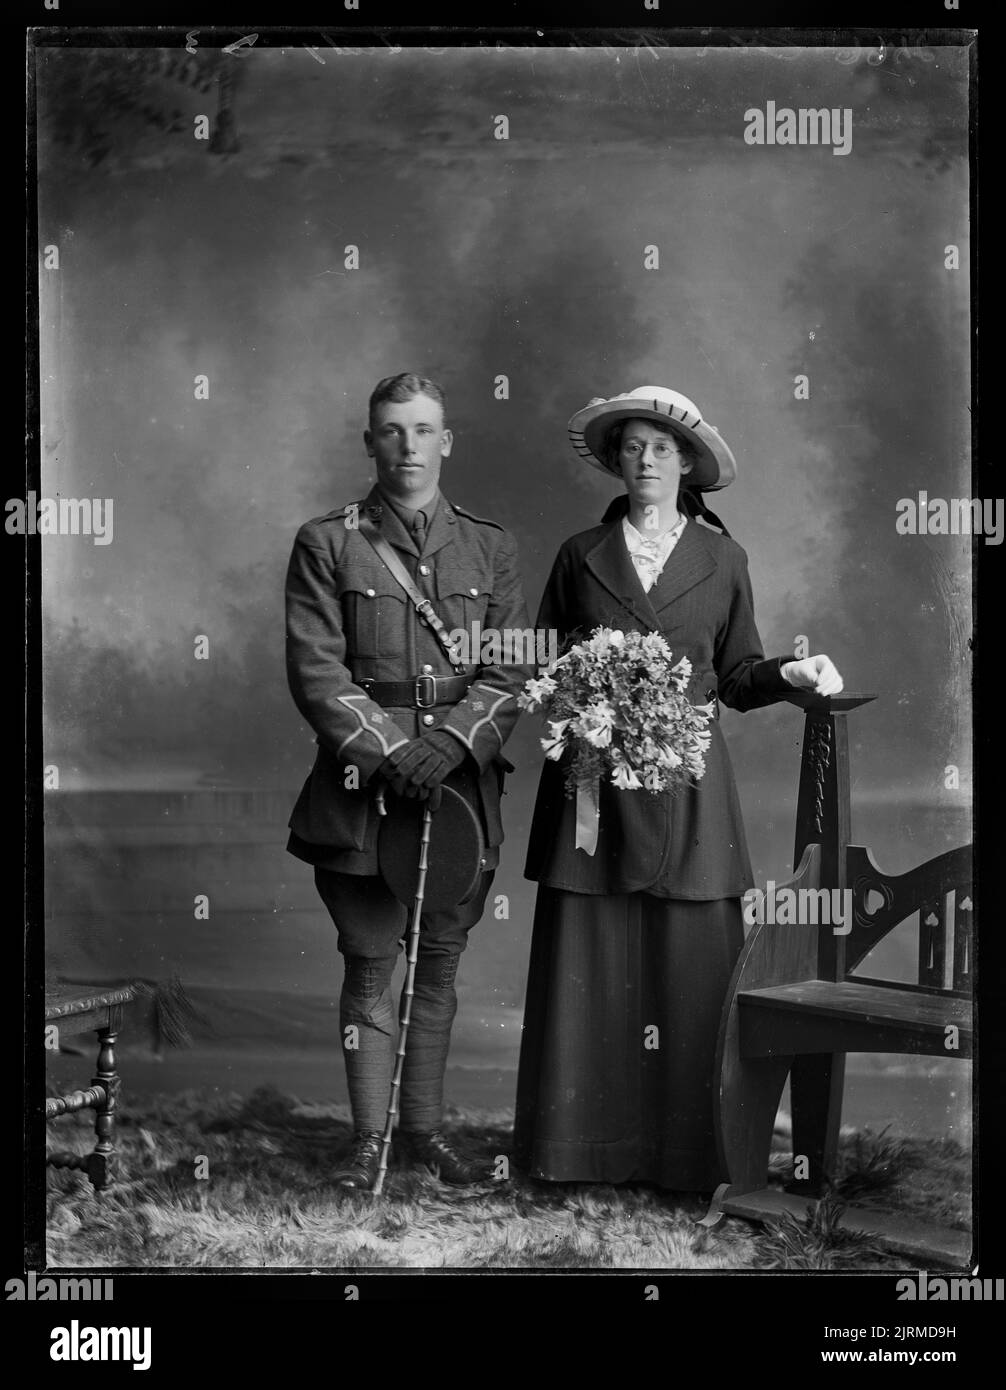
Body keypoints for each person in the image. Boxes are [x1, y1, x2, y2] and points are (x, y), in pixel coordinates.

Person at [514, 385, 843, 1192]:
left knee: (692, 966)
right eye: (633, 445)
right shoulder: (578, 553)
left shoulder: (724, 559)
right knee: (590, 957)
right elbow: (544, 669)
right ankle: (581, 1152)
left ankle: (692, 1157)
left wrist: (791, 673)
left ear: (688, 462)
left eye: (664, 446)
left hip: (691, 786)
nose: (648, 458)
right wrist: (583, 706)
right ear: (615, 460)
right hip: (592, 785)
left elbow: (735, 676)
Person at [285, 372, 532, 1189]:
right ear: (369, 442)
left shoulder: (490, 546)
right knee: (367, 962)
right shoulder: (328, 542)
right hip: (363, 795)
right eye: (392, 431)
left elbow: (510, 671)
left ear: (446, 441)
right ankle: (368, 1140)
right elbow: (318, 671)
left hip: (461, 789)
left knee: (440, 964)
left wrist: (455, 743)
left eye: (423, 430)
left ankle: (423, 1133)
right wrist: (392, 753)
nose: (408, 447)